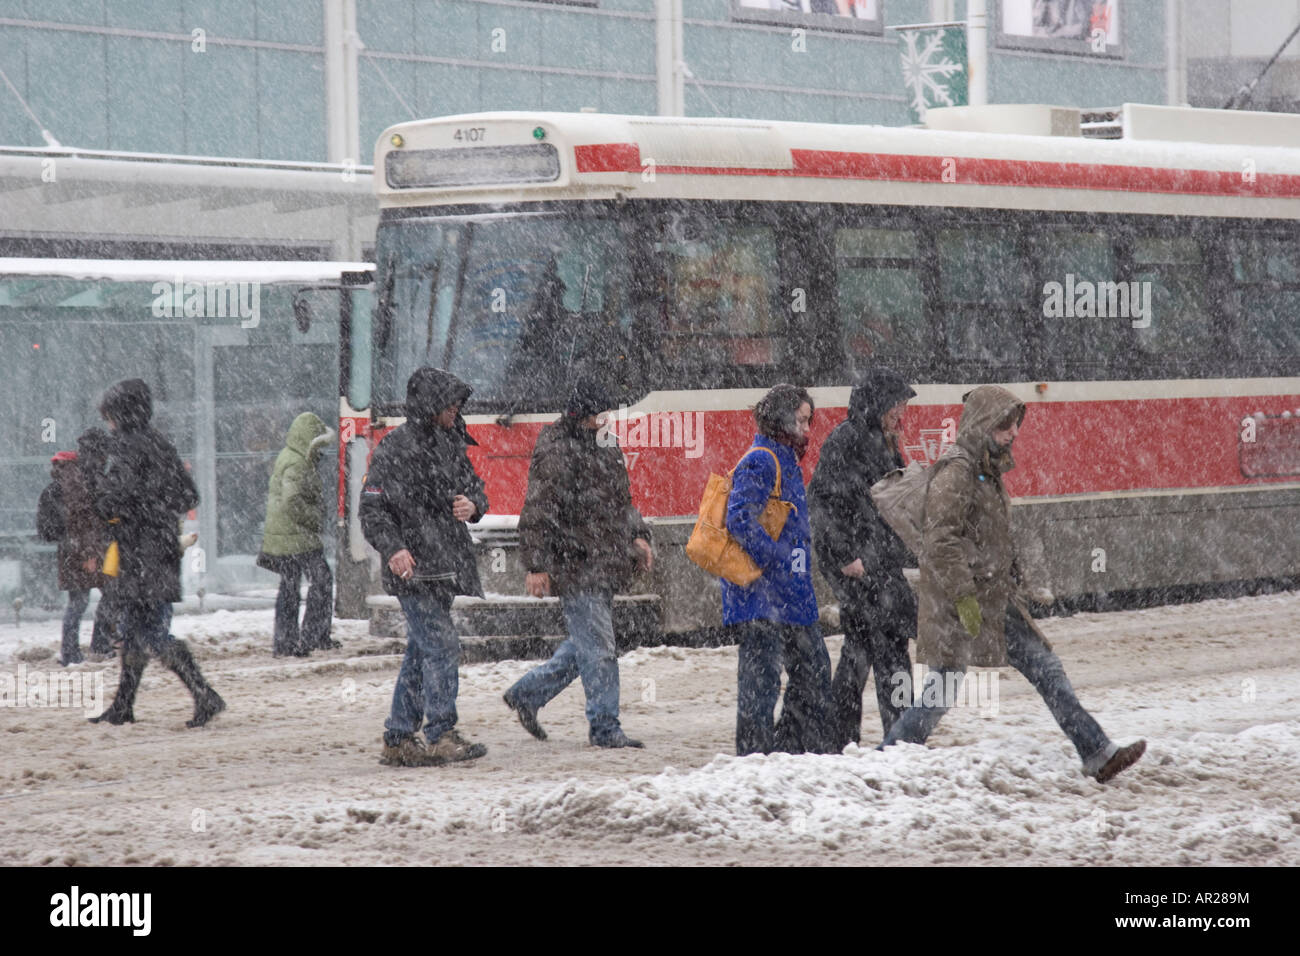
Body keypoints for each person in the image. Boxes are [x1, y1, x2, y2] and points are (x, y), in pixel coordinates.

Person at [879, 385, 1146, 783]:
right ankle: (889, 758)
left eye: (1015, 424)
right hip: (963, 601)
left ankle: (1096, 751)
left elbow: (991, 535)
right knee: (948, 687)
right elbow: (940, 540)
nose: (1013, 432)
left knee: (1037, 669)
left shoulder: (986, 467)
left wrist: (1014, 577)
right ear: (982, 424)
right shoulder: (959, 471)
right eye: (1005, 425)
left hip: (991, 598)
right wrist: (964, 597)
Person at [503, 379, 654, 749]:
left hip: (604, 560)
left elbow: (621, 496)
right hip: (575, 563)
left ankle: (528, 693)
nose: (608, 421)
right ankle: (604, 727)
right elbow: (538, 510)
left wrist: (637, 534)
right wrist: (536, 565)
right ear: (581, 416)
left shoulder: (604, 441)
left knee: (586, 645)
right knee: (600, 647)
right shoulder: (556, 449)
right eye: (601, 415)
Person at [361, 367, 490, 767]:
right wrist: (395, 548)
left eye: (458, 404)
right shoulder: (394, 448)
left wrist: (474, 506)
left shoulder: (451, 442)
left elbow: (475, 488)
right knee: (441, 646)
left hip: (443, 565)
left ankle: (399, 737)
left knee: (423, 650)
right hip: (413, 570)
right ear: (431, 405)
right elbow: (372, 509)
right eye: (451, 404)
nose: (457, 410)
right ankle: (440, 733)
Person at [88, 379, 225, 728]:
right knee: (135, 631)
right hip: (158, 549)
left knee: (150, 633)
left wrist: (99, 486)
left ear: (120, 413)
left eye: (109, 417)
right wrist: (156, 510)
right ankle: (124, 705)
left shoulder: (128, 447)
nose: (108, 424)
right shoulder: (160, 443)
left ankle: (204, 694)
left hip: (140, 553)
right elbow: (186, 496)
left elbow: (114, 501)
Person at [809, 366, 917, 748]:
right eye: (897, 406)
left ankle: (861, 738)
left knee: (875, 649)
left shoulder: (885, 441)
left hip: (881, 562)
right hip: (860, 566)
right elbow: (822, 503)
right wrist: (844, 556)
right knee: (876, 651)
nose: (902, 415)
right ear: (879, 404)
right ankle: (888, 736)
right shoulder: (848, 440)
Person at [724, 383, 832, 756]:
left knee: (814, 673)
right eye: (801, 420)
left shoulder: (785, 458)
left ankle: (789, 751)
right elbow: (739, 519)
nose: (807, 429)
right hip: (763, 596)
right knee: (761, 683)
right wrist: (777, 559)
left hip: (789, 594)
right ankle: (755, 759)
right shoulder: (762, 460)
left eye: (808, 420)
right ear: (783, 419)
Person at [257, 412, 337, 657]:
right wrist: (315, 518)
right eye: (319, 445)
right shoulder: (297, 463)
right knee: (320, 580)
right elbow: (292, 501)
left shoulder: (291, 457)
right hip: (295, 536)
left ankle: (286, 642)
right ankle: (312, 636)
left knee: (291, 587)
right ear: (309, 441)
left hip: (288, 536)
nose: (322, 451)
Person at [36, 437, 116, 665]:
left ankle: (72, 651)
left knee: (79, 602)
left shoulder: (55, 488)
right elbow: (82, 523)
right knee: (106, 595)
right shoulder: (75, 487)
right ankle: (94, 646)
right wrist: (89, 553)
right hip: (84, 551)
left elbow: (50, 528)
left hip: (69, 550)